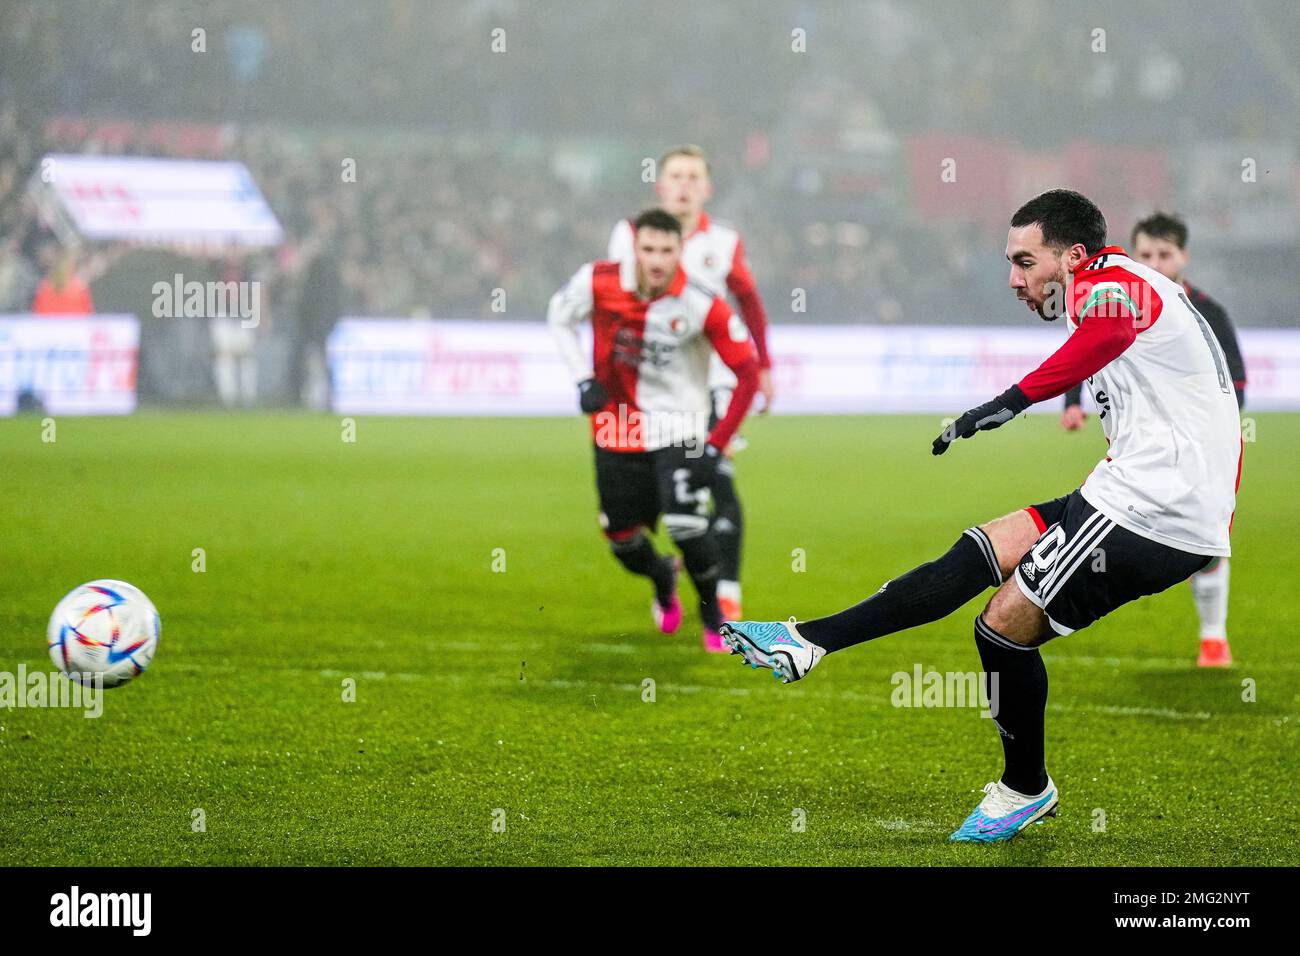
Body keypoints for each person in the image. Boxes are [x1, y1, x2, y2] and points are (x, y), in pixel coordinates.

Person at [720, 190, 1242, 842]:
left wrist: (1007, 403)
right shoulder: (1127, 283)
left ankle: (1026, 787)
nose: (1014, 280)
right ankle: (809, 641)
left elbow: (1108, 329)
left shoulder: (1103, 285)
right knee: (980, 551)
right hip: (1139, 494)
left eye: (1025, 262)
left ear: (1073, 256)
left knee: (1001, 629)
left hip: (1153, 513)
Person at [550, 208, 760, 648]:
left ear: (680, 251)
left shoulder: (701, 302)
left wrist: (716, 445)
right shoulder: (598, 280)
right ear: (634, 248)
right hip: (617, 428)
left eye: (667, 250)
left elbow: (747, 372)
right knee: (623, 542)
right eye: (648, 249)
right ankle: (663, 576)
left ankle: (713, 614)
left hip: (681, 428)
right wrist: (582, 379)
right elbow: (558, 317)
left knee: (687, 525)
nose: (658, 259)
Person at [1061, 212, 1245, 667]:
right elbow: (1087, 350)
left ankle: (1213, 636)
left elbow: (1236, 384)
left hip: (1205, 452)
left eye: (1165, 254)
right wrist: (1071, 401)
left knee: (1205, 543)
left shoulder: (1208, 313)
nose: (1155, 263)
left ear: (1184, 256)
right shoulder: (1119, 300)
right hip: (1145, 448)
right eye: (1145, 254)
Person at [607, 146, 773, 636]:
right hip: (653, 385)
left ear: (707, 188)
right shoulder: (629, 234)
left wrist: (763, 364)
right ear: (660, 185)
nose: (683, 184)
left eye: (692, 176)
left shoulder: (723, 242)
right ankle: (668, 574)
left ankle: (726, 593)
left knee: (716, 476)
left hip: (715, 380)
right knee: (654, 496)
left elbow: (749, 301)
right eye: (674, 175)